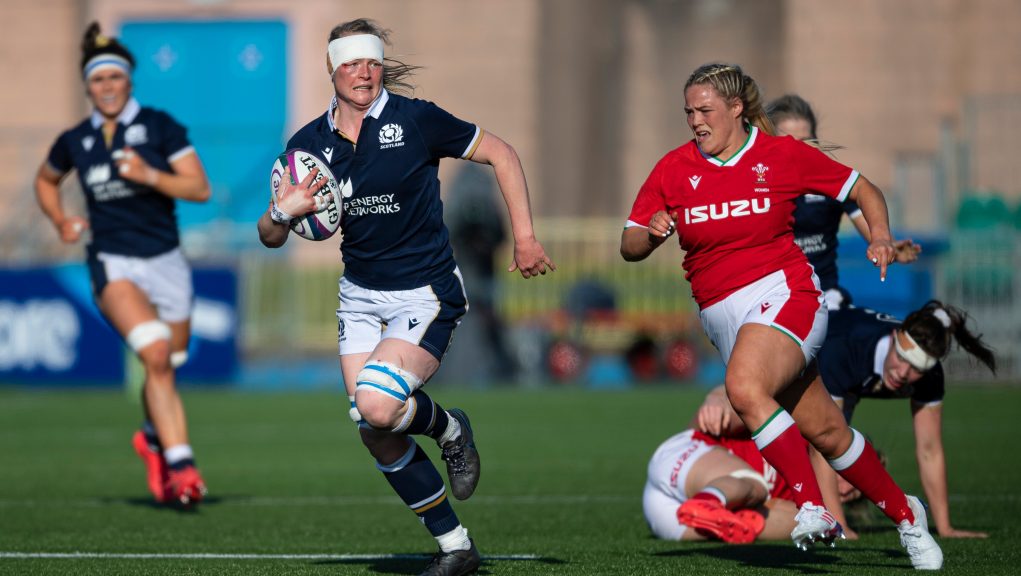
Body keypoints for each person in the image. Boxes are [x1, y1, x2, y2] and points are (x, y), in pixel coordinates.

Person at [257, 18, 554, 576]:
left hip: (425, 293)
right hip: (359, 298)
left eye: (372, 62)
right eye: (351, 63)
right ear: (332, 69)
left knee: (375, 404)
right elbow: (270, 236)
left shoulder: (416, 120)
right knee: (375, 428)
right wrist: (282, 210)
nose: (364, 73)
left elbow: (504, 154)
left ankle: (450, 427)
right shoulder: (307, 145)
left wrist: (527, 236)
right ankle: (456, 547)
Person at [620, 63, 942, 569]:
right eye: (688, 111)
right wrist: (652, 231)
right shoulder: (673, 168)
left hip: (787, 294)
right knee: (829, 433)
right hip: (725, 318)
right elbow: (629, 244)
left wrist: (879, 235)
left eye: (705, 110)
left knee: (744, 387)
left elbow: (863, 190)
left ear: (735, 109)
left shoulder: (781, 155)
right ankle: (908, 516)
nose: (695, 120)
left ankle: (811, 504)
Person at [34, 23, 211, 507]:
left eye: (114, 78)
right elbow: (46, 181)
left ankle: (152, 437)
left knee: (168, 365)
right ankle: (182, 466)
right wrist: (60, 220)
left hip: (167, 261)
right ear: (87, 86)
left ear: (129, 81)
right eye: (97, 80)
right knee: (154, 355)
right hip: (112, 262)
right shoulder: (75, 140)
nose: (107, 87)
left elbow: (199, 188)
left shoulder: (159, 126)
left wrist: (151, 174)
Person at [812, 300, 995, 538]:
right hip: (810, 350)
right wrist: (838, 525)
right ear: (894, 337)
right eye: (901, 357)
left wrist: (945, 527)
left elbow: (930, 450)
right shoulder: (845, 349)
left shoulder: (930, 376)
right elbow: (822, 441)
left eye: (916, 368)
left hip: (848, 384)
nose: (903, 373)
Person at [645, 387, 869, 544]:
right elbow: (744, 395)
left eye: (852, 496)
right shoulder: (797, 433)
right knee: (755, 484)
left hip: (666, 516)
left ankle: (731, 519)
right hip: (682, 458)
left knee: (806, 523)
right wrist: (716, 398)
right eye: (852, 479)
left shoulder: (802, 503)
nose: (846, 489)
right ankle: (708, 503)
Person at [766, 94, 921, 310]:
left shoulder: (831, 183)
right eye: (789, 143)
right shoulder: (760, 189)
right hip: (774, 298)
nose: (799, 151)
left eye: (806, 142)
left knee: (888, 339)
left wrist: (887, 246)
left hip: (825, 296)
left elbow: (871, 225)